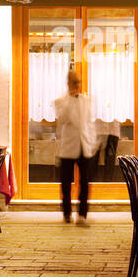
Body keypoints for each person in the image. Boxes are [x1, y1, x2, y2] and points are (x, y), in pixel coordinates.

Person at [54, 70, 98, 226]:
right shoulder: (60, 101)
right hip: (68, 146)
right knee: (65, 183)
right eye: (74, 82)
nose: (77, 85)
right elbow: (63, 119)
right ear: (68, 83)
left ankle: (82, 215)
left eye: (79, 82)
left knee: (85, 182)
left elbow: (89, 122)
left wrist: (92, 142)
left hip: (84, 145)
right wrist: (70, 100)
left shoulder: (87, 100)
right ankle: (66, 214)